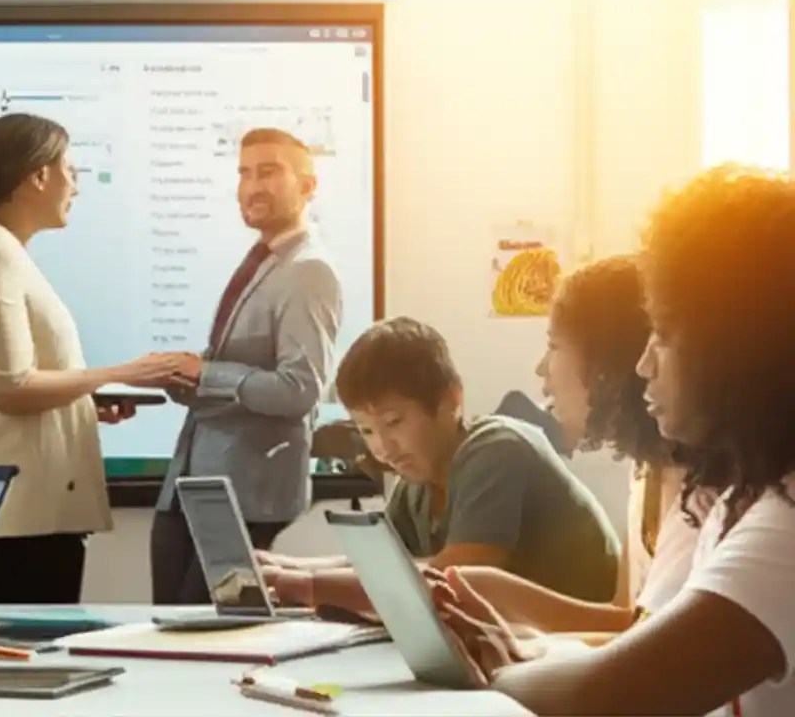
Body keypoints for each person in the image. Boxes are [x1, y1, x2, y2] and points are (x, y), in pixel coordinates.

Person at [438, 166, 795, 716]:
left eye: (665, 336)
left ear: (737, 346)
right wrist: (518, 654)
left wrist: (499, 665)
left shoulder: (784, 528)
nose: (644, 363)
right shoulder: (739, 503)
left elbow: (605, 695)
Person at [0, 113, 181, 605]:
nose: (76, 187)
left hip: (27, 514)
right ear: (39, 175)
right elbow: (9, 388)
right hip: (12, 520)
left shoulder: (4, 253)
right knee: (20, 651)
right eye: (71, 171)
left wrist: (83, 403)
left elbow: (10, 382)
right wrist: (122, 373)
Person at [261, 317, 620, 610]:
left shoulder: (497, 451)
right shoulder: (414, 486)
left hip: (582, 644)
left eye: (394, 422)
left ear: (452, 400)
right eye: (366, 430)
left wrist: (310, 584)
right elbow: (383, 567)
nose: (383, 447)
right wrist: (284, 567)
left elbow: (454, 578)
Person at [451, 255, 710, 638]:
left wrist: (509, 608)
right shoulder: (646, 472)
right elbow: (626, 618)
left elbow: (650, 638)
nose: (542, 369)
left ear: (608, 363)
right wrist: (502, 611)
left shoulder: (706, 490)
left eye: (554, 346)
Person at [149, 127, 344, 605]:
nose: (252, 186)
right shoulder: (263, 261)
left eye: (269, 172)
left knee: (205, 635)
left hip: (246, 495)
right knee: (168, 629)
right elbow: (239, 373)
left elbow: (300, 390)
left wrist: (207, 374)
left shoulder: (309, 270)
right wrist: (182, 376)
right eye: (244, 173)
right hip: (191, 486)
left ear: (308, 186)